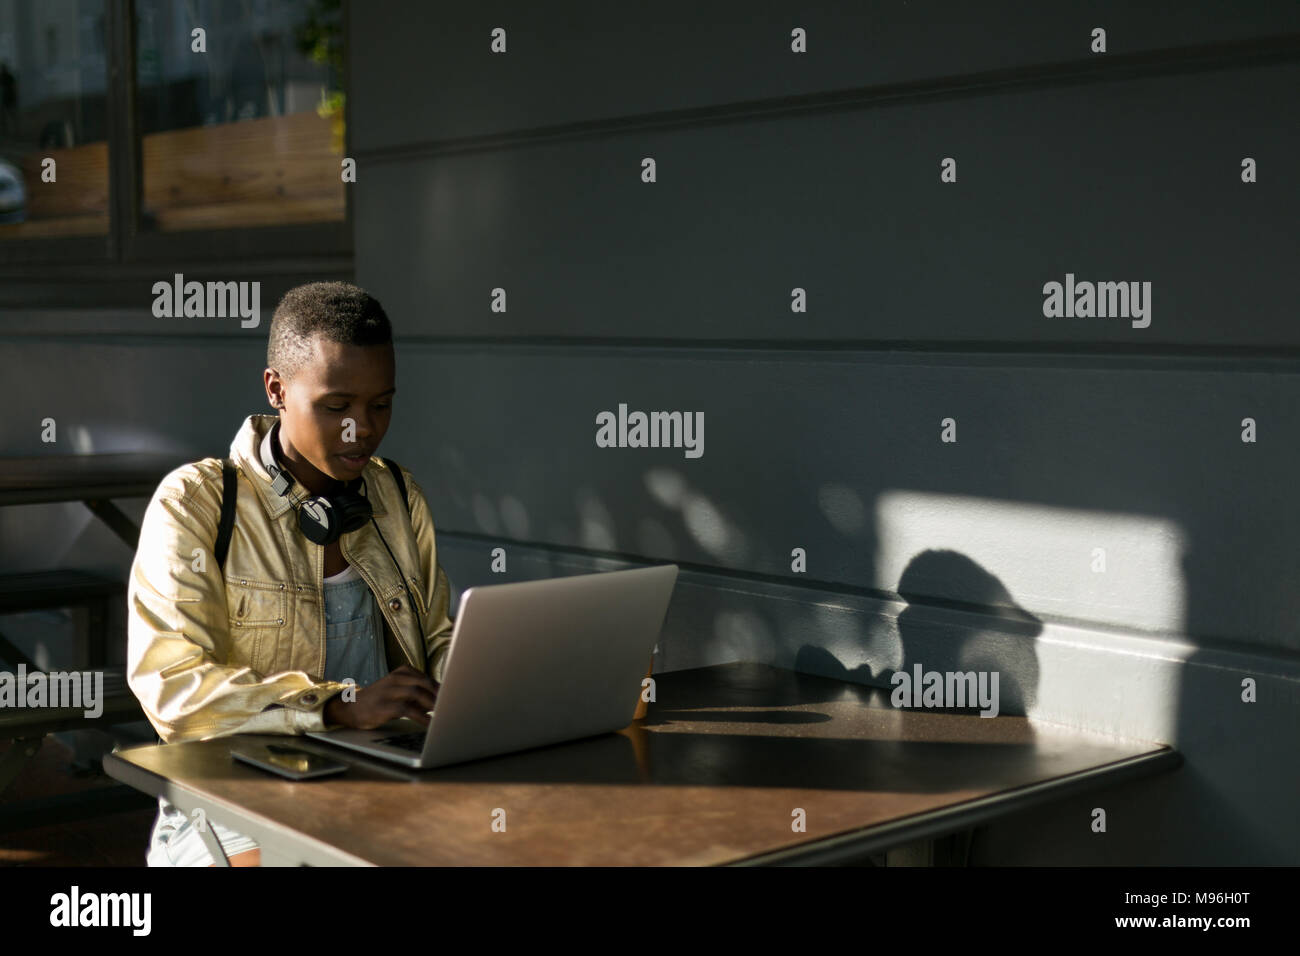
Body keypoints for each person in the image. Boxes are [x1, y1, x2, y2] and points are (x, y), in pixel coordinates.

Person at [127, 281, 454, 866]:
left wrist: (480, 688)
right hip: (232, 804)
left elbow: (438, 641)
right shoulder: (194, 504)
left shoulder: (396, 494)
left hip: (379, 788)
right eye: (337, 407)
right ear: (276, 389)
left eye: (381, 405)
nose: (364, 429)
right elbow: (174, 689)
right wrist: (333, 707)